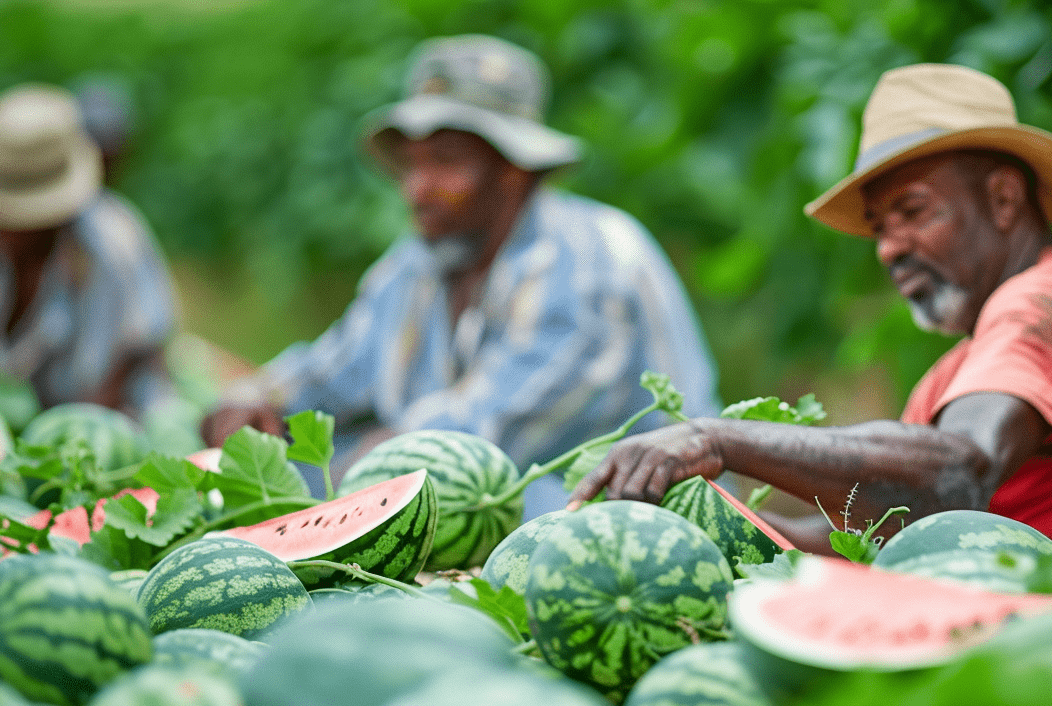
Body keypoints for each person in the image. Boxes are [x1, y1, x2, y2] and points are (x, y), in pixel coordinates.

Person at [569, 63, 1052, 554]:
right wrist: (690, 534)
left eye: (912, 212)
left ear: (1002, 199)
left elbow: (957, 473)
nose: (889, 249)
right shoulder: (957, 379)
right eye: (879, 227)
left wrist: (717, 441)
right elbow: (885, 537)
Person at [201, 34, 719, 518]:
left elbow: (479, 435)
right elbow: (337, 368)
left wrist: (355, 463)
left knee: (505, 502)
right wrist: (259, 400)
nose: (417, 188)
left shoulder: (587, 257)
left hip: (632, 514)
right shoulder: (415, 267)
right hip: (477, 504)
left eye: (446, 163)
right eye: (411, 165)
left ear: (514, 169)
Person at [0, 82, 178, 418]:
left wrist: (56, 442)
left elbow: (132, 360)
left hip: (96, 419)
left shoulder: (109, 244)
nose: (6, 229)